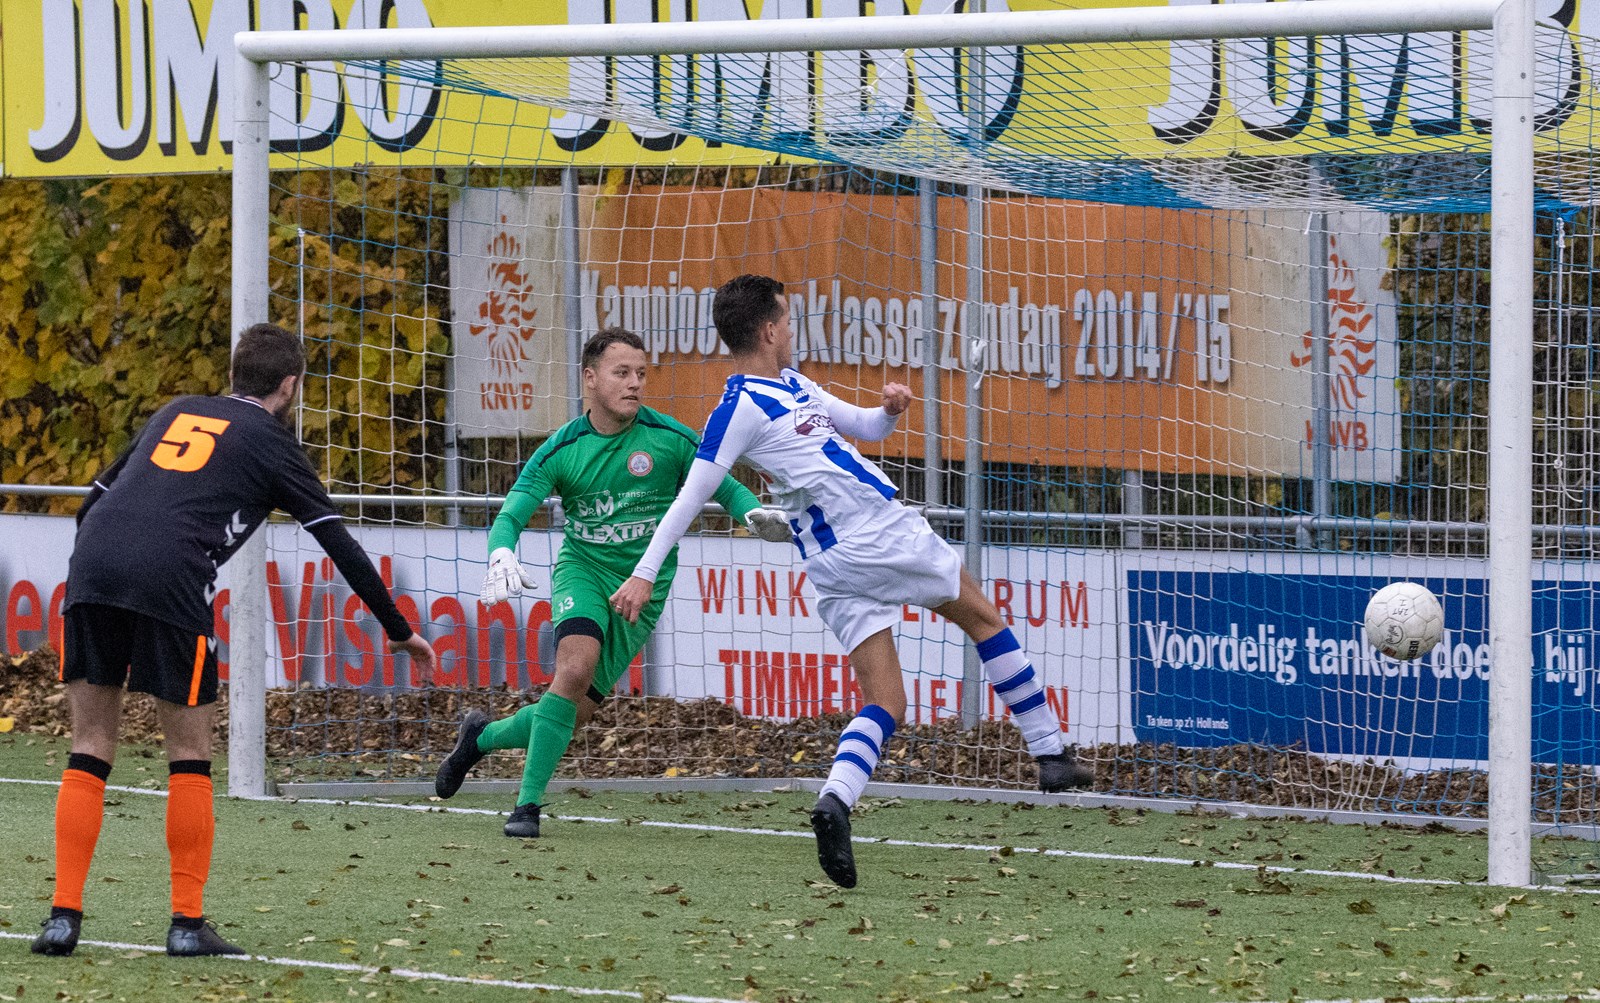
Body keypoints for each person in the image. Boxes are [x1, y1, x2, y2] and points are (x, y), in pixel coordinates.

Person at [610, 274, 1095, 889]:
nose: (791, 330)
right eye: (786, 321)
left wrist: (889, 411)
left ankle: (834, 801)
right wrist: (644, 573)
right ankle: (1050, 752)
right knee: (984, 618)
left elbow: (863, 429)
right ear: (767, 330)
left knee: (887, 701)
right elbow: (690, 497)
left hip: (832, 565)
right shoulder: (739, 409)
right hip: (876, 532)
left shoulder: (793, 385)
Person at [33, 323, 436, 958]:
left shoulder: (176, 410)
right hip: (170, 577)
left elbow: (94, 500)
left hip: (91, 565)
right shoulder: (272, 443)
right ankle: (186, 924)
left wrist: (101, 563)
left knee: (90, 746)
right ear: (289, 386)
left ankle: (63, 917)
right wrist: (398, 628)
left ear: (232, 376)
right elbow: (339, 542)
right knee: (189, 753)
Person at [432, 327, 789, 838]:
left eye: (641, 373)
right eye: (622, 373)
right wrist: (502, 552)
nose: (635, 383)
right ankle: (527, 809)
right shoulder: (563, 448)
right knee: (573, 670)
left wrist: (753, 514)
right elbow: (512, 512)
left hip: (644, 589)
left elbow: (726, 485)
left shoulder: (669, 439)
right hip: (583, 571)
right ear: (590, 378)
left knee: (569, 716)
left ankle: (480, 739)